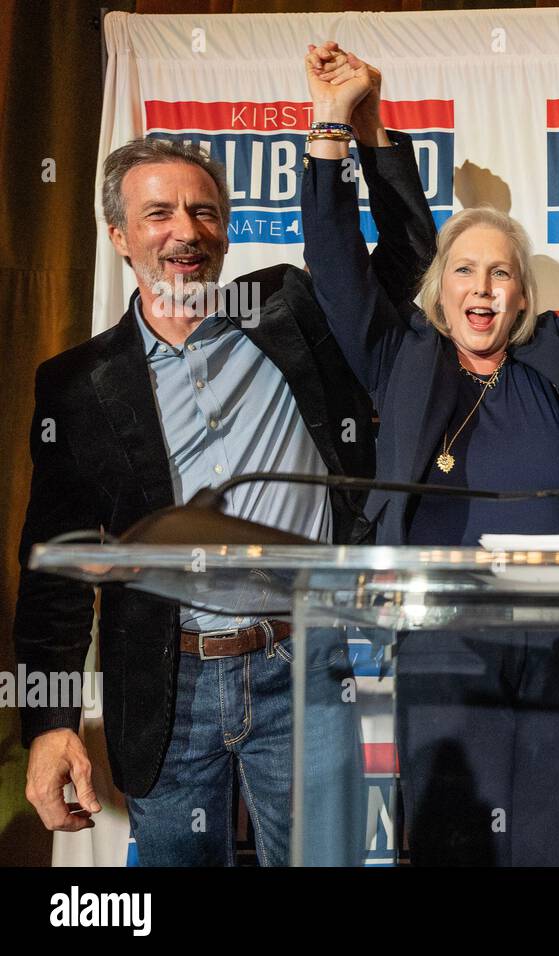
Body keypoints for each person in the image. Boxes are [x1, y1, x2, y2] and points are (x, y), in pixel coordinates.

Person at [13, 41, 435, 865]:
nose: (185, 233)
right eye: (159, 214)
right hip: (166, 687)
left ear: (228, 227)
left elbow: (409, 251)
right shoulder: (76, 384)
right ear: (118, 235)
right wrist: (51, 722)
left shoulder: (293, 311)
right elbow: (55, 574)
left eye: (204, 213)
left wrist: (364, 123)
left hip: (304, 665)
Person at [300, 48, 559, 865]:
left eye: (501, 273)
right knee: (453, 845)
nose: (482, 286)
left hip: (556, 640)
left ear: (524, 296)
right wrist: (328, 127)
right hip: (444, 636)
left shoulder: (552, 361)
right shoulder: (401, 355)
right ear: (439, 289)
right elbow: (337, 262)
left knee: (540, 845)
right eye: (464, 270)